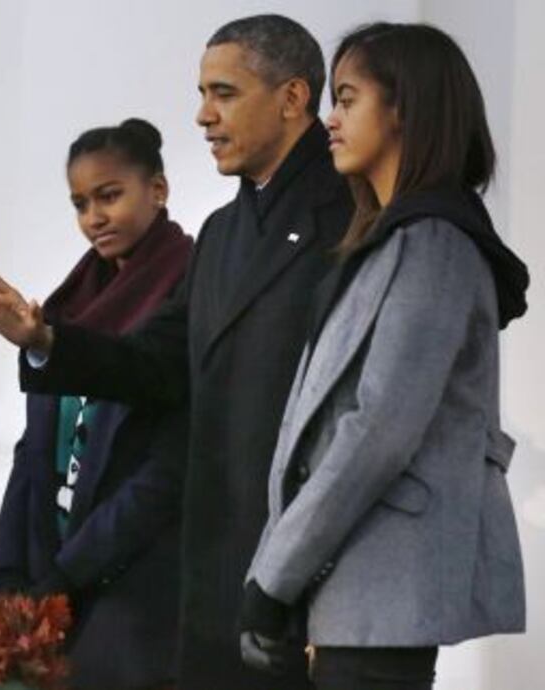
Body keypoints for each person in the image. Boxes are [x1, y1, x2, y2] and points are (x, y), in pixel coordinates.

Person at [0, 15, 352, 689]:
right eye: (202, 93)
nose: (203, 115)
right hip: (219, 571)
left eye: (223, 92)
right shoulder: (225, 232)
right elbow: (155, 364)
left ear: (292, 97)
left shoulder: (345, 216)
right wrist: (45, 340)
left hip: (299, 568)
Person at [239, 23, 528, 690]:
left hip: (381, 588)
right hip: (346, 587)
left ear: (405, 109)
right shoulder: (391, 243)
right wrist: (276, 575)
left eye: (346, 98)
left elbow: (379, 429)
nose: (329, 120)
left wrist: (274, 579)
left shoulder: (434, 244)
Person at [0, 119, 192, 690]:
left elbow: (168, 469)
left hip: (139, 589)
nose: (94, 218)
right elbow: (34, 450)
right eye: (80, 203)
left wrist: (67, 575)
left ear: (159, 190)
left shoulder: (192, 291)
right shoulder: (71, 303)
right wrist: (9, 576)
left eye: (110, 196)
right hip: (57, 581)